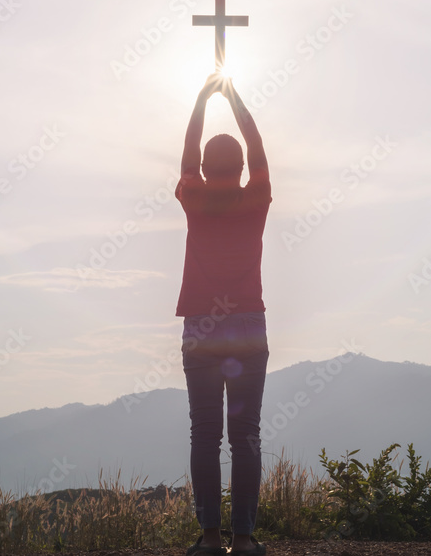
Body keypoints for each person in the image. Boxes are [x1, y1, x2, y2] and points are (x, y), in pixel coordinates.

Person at [177, 73, 271, 556]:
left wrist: (200, 100)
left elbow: (188, 154)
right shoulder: (255, 199)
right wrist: (234, 101)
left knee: (205, 434)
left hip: (202, 331)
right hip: (250, 330)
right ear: (238, 167)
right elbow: (258, 150)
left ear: (205, 167)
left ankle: (211, 538)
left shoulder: (194, 198)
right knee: (246, 435)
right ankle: (246, 538)